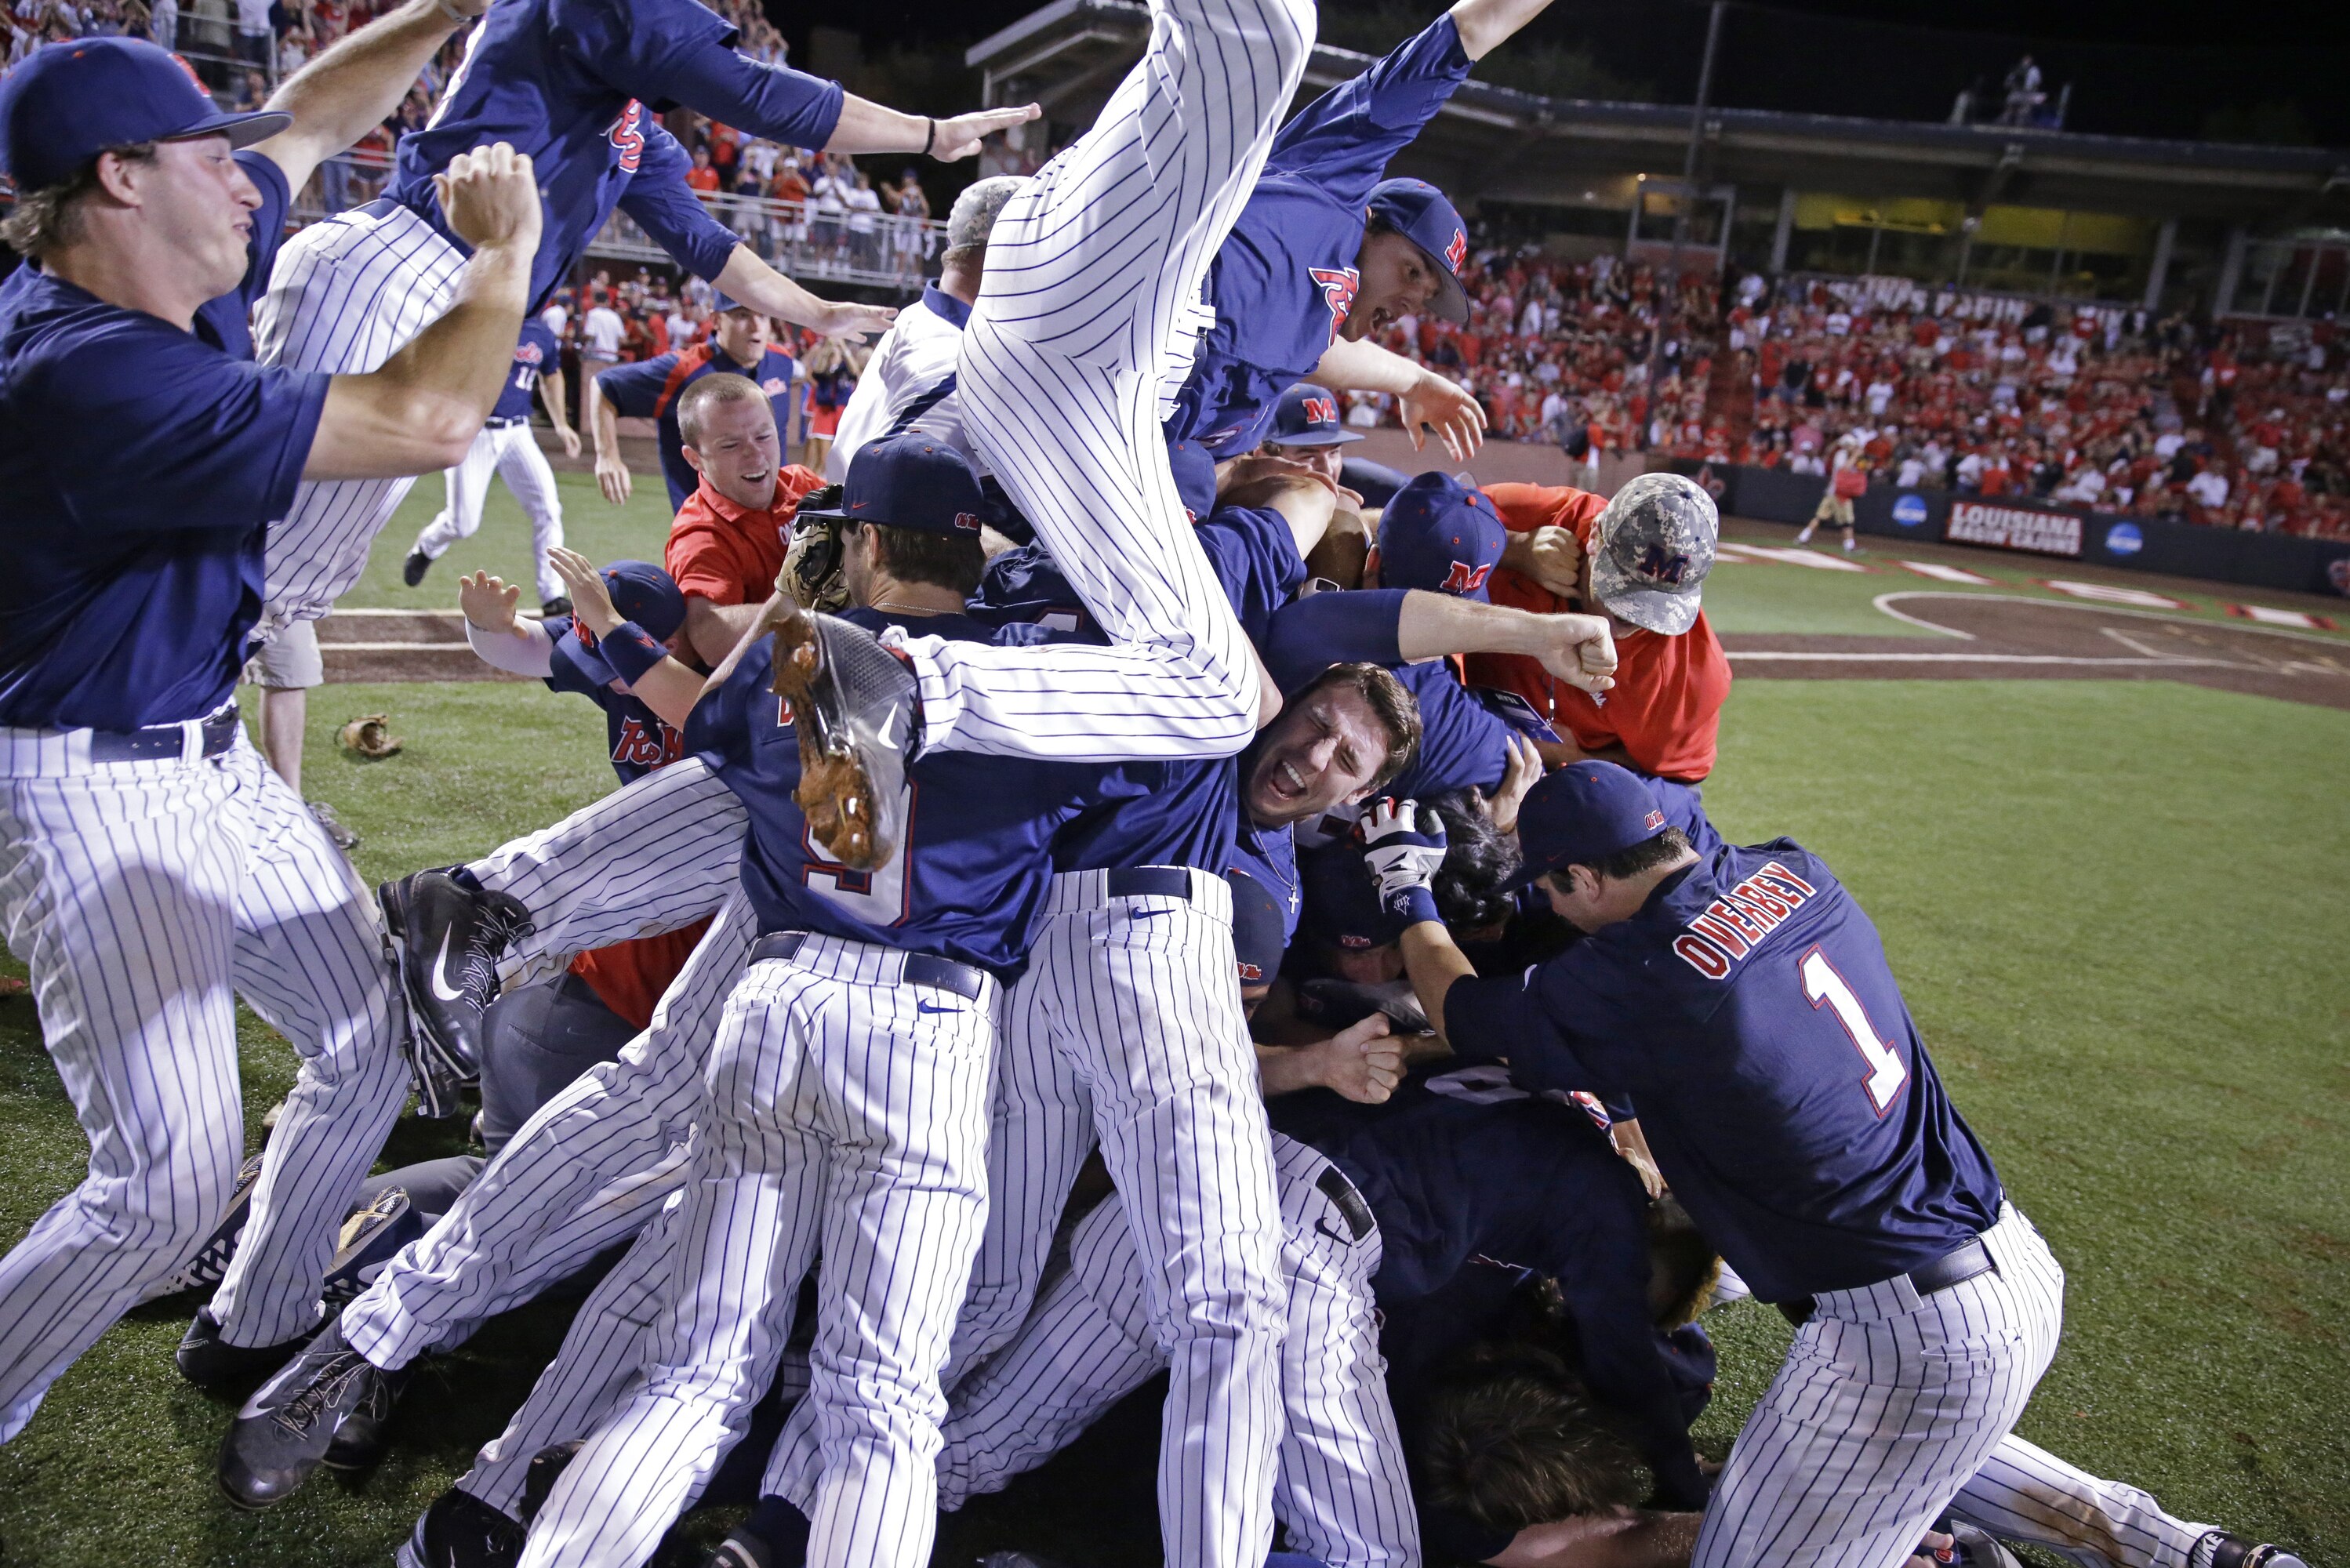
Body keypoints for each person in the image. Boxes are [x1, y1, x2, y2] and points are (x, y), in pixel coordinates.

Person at [0, 31, 541, 1439]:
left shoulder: (147, 269)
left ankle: (254, 1319)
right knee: (162, 1192)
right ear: (116, 178)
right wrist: (506, 251)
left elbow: (306, 118)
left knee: (371, 1045)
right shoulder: (80, 369)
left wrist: (440, 8)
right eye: (203, 157)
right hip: (88, 786)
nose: (246, 181)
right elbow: (427, 419)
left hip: (198, 749)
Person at [1366, 764, 2064, 1568]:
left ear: (1586, 876)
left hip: (1901, 1328)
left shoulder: (1646, 972)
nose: (1551, 906)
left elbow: (1461, 1011)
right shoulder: (1794, 868)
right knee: (1934, 1452)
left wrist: (1406, 889)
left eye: (1554, 888)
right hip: (2005, 1257)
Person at [245, 0, 1037, 685]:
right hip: (411, 261)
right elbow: (754, 92)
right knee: (273, 563)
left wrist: (815, 312)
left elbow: (703, 240)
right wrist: (930, 134)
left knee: (292, 567)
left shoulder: (625, 120)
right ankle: (158, 753)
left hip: (443, 288)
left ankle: (188, 758)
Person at [1465, 474, 1731, 785]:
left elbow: (1670, 784)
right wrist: (1511, 547)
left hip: (1581, 776)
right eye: (1623, 592)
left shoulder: (1690, 673)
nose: (1629, 623)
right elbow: (1413, 523)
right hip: (1466, 716)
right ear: (1595, 536)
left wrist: (1566, 756)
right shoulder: (1544, 516)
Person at [822, 174, 1024, 481]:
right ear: (1002, 253)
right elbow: (885, 513)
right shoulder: (962, 365)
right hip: (862, 523)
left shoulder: (918, 317)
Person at [401, 318, 582, 612]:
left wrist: (561, 424)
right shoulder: (483, 316)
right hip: (474, 431)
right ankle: (427, 547)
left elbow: (551, 374)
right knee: (463, 523)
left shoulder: (540, 330)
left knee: (548, 509)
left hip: (517, 433)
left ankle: (552, 595)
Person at [587, 289, 801, 511]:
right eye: (742, 316)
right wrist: (607, 455)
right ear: (716, 320)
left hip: (775, 518)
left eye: (763, 316)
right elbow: (605, 386)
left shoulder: (781, 361)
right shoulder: (685, 368)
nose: (756, 326)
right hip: (711, 525)